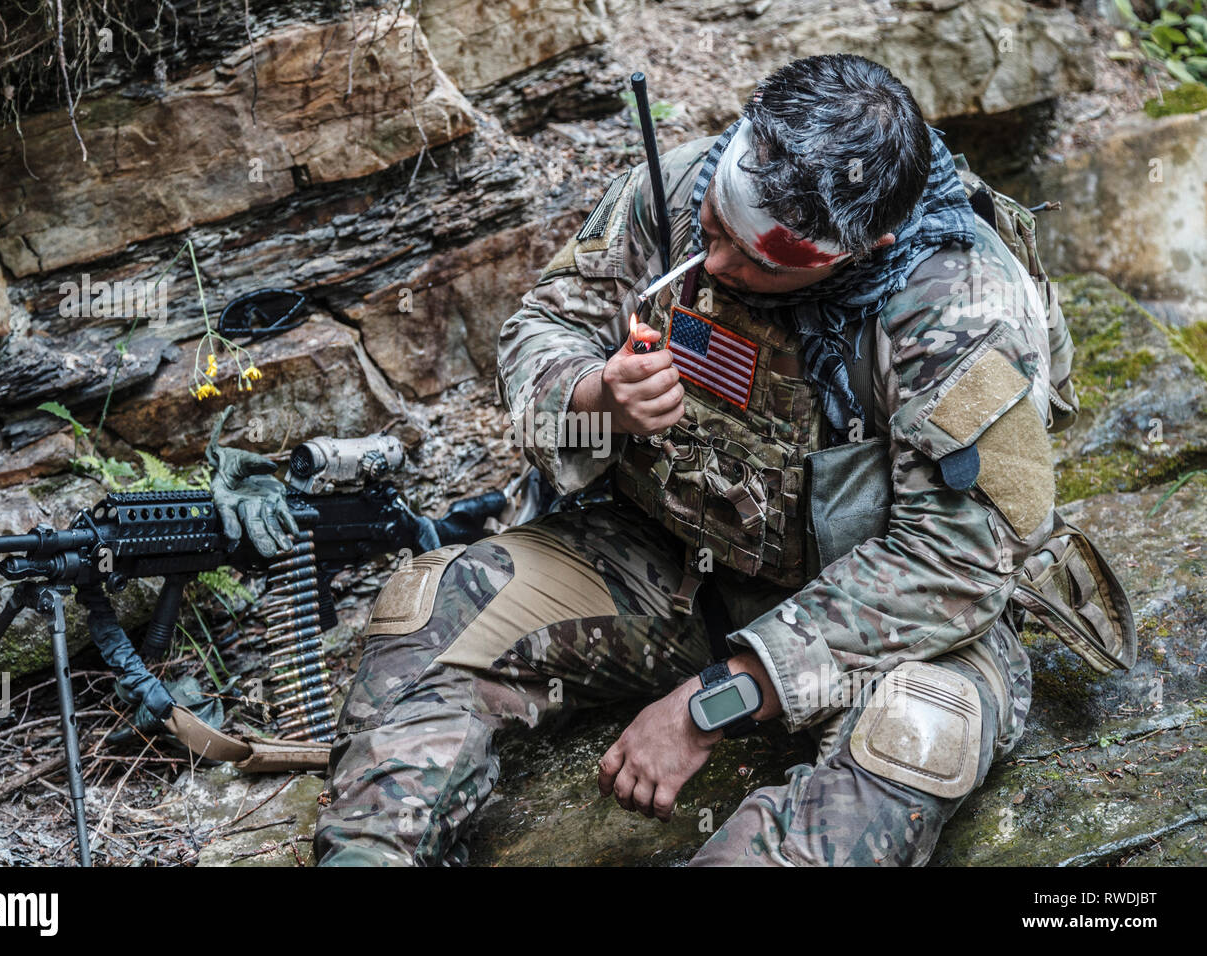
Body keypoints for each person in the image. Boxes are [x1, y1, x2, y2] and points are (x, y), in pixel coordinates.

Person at [303, 53, 1054, 866]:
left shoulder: (963, 306)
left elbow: (959, 558)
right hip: (667, 563)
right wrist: (595, 396)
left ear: (864, 247)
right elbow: (539, 326)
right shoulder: (682, 185)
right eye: (717, 230)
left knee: (920, 734)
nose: (719, 264)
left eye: (760, 261)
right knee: (435, 603)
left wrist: (715, 702)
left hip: (867, 613)